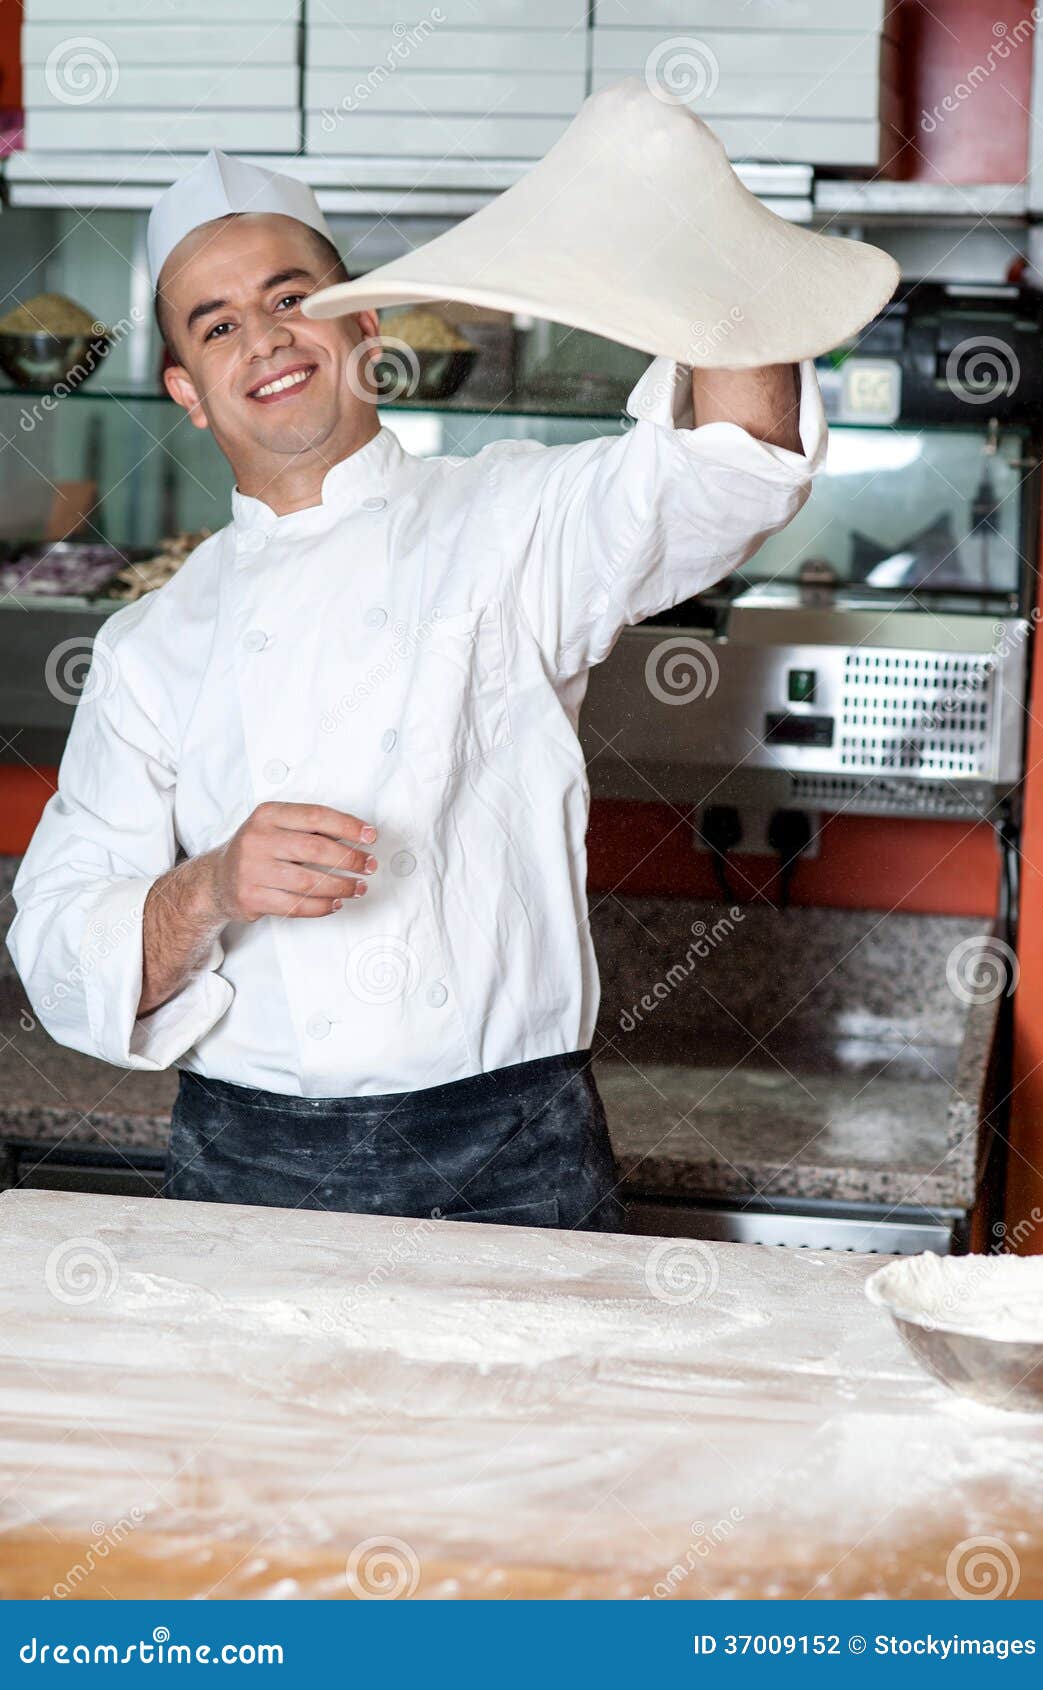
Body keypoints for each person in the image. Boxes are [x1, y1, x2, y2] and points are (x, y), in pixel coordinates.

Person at [8, 151, 826, 1231]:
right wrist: (214, 886)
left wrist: (718, 254)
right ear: (188, 395)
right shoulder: (149, 644)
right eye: (215, 326)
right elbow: (61, 958)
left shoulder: (514, 520)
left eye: (292, 299)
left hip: (513, 1148)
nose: (262, 339)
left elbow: (732, 465)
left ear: (366, 332)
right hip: (252, 1170)